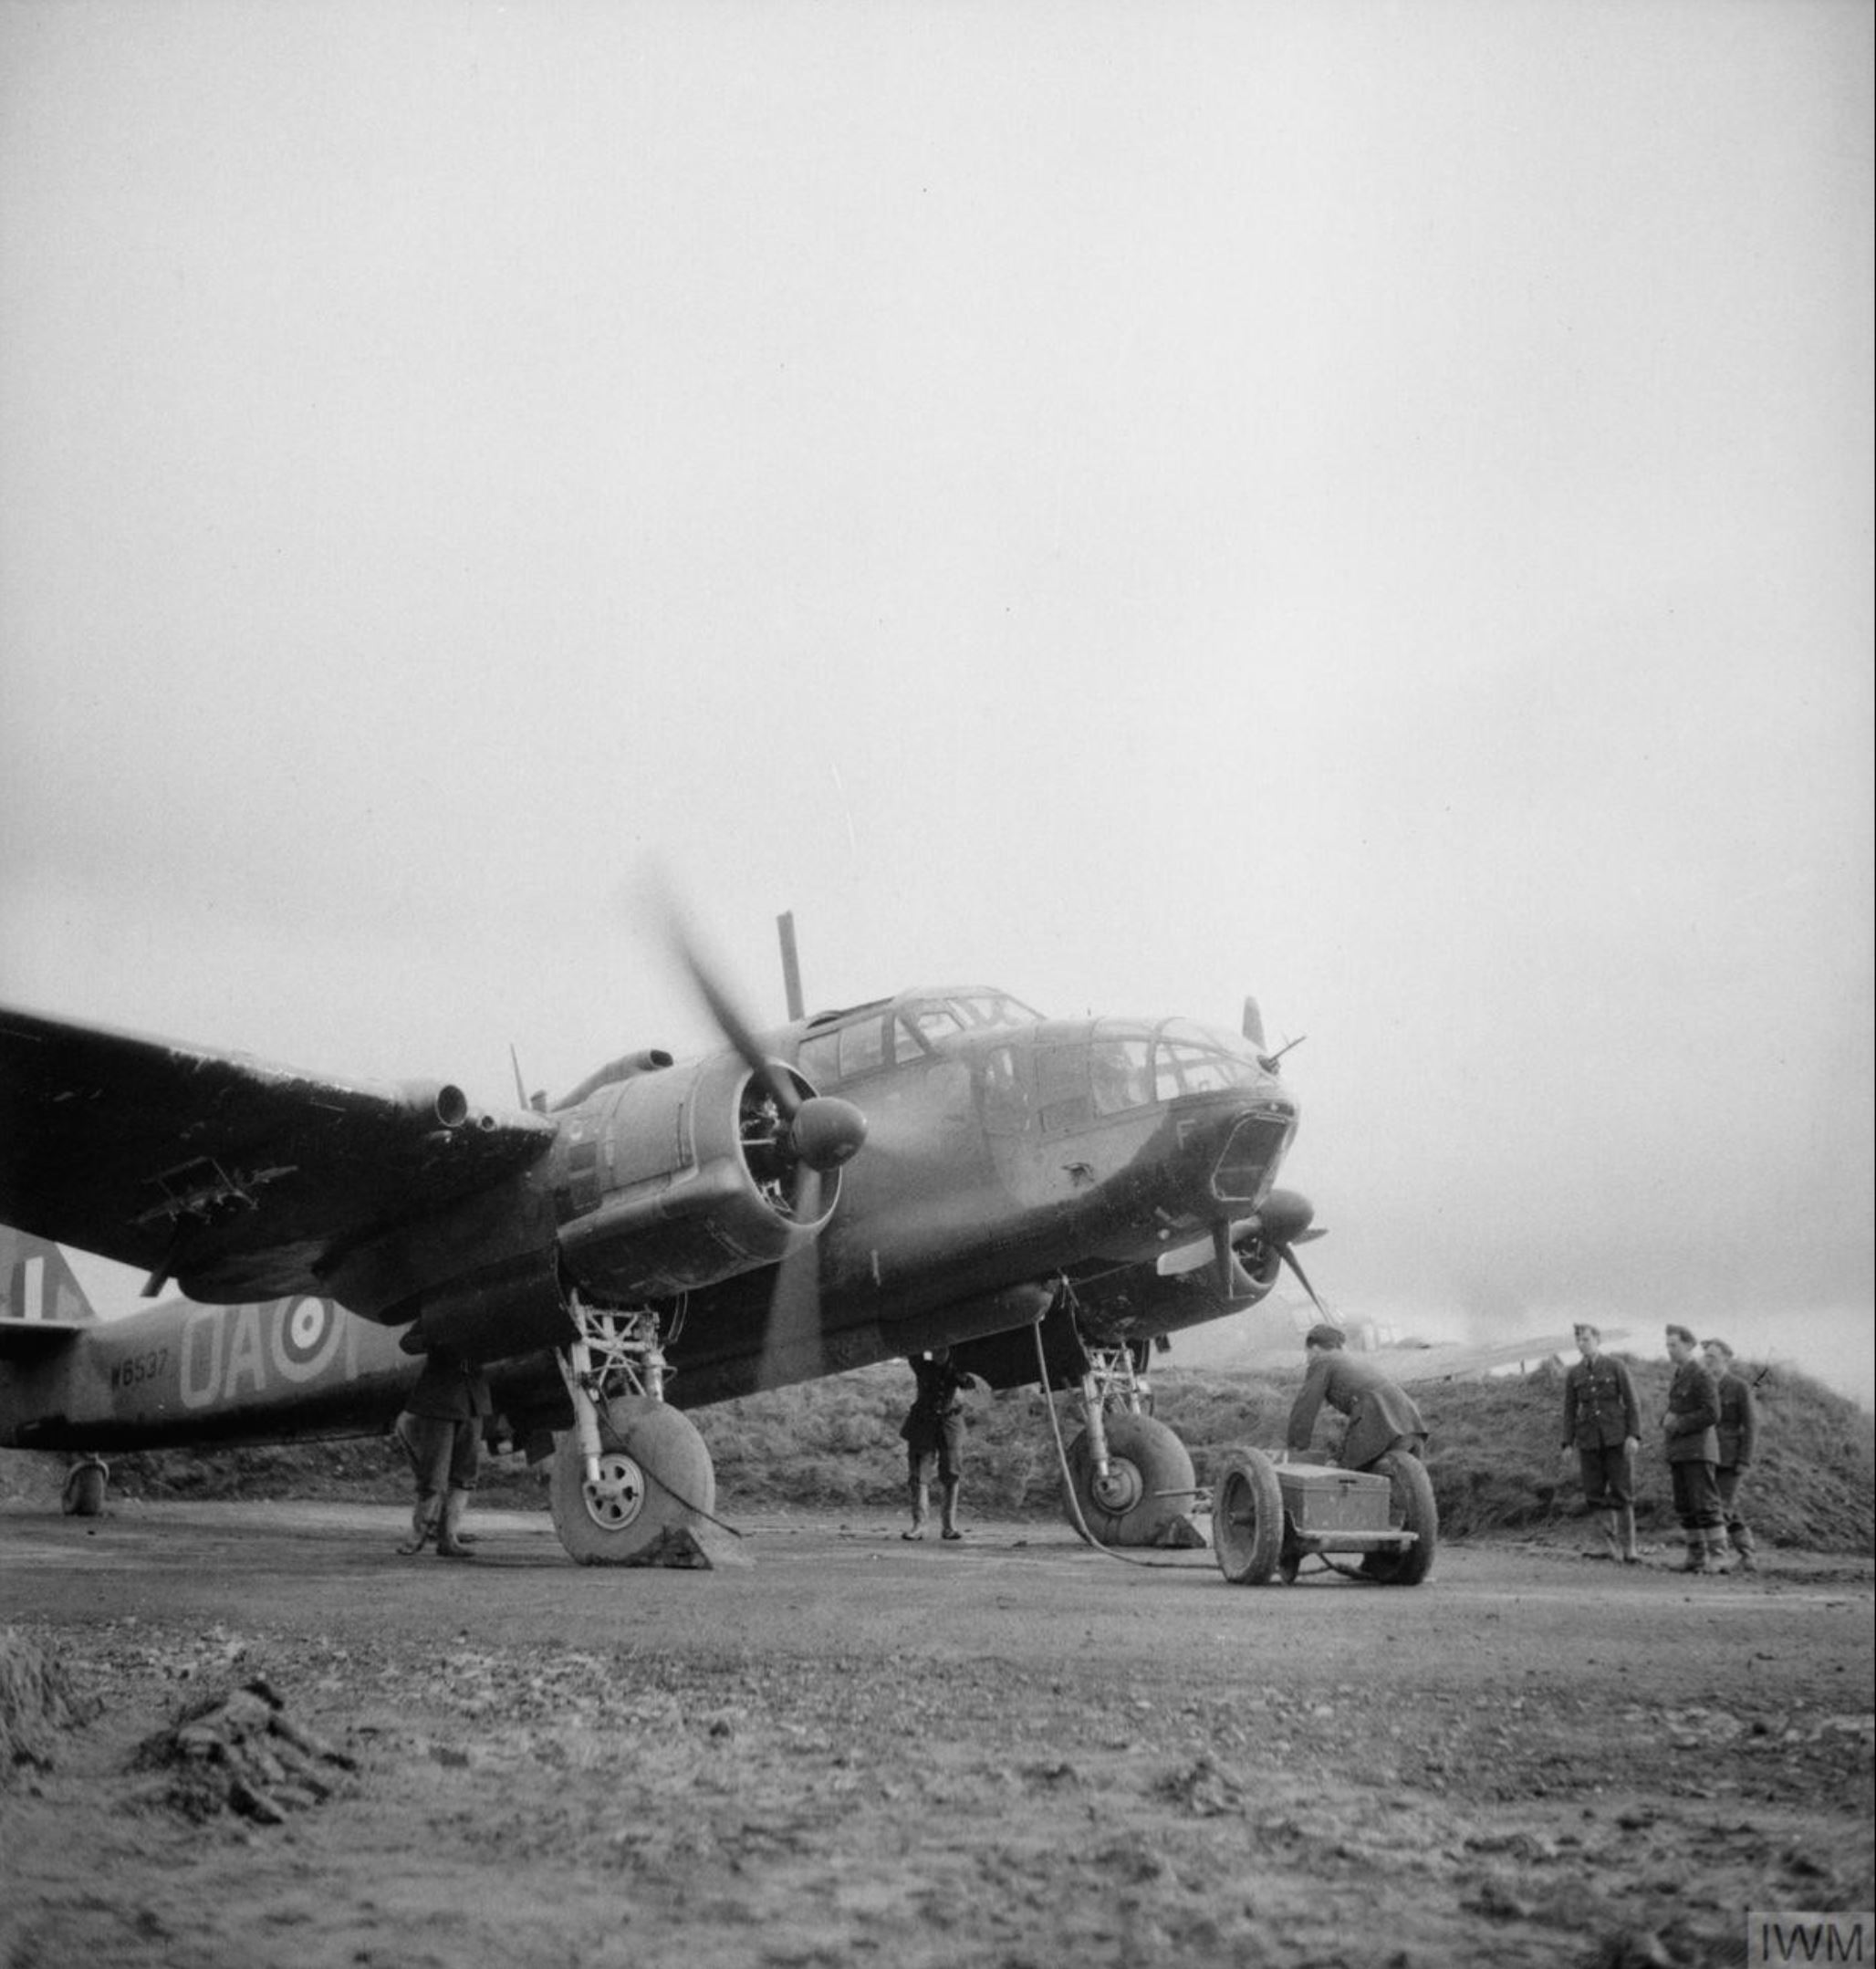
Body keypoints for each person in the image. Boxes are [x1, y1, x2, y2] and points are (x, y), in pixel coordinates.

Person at [392, 1344, 493, 1560]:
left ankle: (448, 1538)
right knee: (434, 1473)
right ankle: (418, 1534)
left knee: (464, 1475)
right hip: (441, 1397)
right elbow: (411, 1342)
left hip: (473, 1398)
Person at [1285, 1323, 1427, 1470]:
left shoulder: (1323, 1361)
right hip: (1411, 1421)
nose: (1308, 1359)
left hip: (1380, 1421)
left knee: (1347, 1479)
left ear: (1315, 1348)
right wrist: (1339, 1456)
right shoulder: (1351, 1361)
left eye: (1307, 1353)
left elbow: (1306, 1406)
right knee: (1395, 1485)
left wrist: (1296, 1449)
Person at [1560, 1322, 1642, 1564]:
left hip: (1617, 1439)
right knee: (1594, 1493)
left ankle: (1630, 1548)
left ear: (1598, 1340)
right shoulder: (1574, 1374)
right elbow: (1570, 1410)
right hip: (1589, 1441)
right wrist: (1567, 1442)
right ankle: (1608, 1546)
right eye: (1578, 1340)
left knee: (1622, 1492)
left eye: (1586, 1339)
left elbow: (1631, 1402)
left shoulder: (1615, 1366)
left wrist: (1633, 1435)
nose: (1581, 1344)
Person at [1662, 1325, 1725, 1574]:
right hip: (1680, 1450)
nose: (1669, 1350)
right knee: (1685, 1504)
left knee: (1705, 1503)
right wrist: (1667, 1421)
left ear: (1688, 1345)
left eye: (1673, 1345)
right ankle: (1696, 1555)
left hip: (1698, 1451)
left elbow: (1713, 1413)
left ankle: (1719, 1556)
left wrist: (1679, 1423)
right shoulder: (1680, 1374)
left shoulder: (1701, 1374)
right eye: (1667, 1345)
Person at [899, 1349, 979, 1541]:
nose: (938, 1354)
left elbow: (971, 1383)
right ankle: (919, 1525)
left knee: (952, 1472)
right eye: (935, 1349)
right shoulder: (920, 1362)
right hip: (924, 1420)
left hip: (950, 1422)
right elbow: (912, 1350)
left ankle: (949, 1525)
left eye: (943, 1350)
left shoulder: (958, 1365)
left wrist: (959, 1372)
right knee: (919, 1474)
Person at [1703, 1338, 1759, 1573]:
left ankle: (1719, 1556)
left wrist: (1744, 1460)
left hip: (1730, 1458)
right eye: (1705, 1357)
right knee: (1728, 1506)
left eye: (1713, 1357)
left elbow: (1751, 1426)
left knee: (1719, 1506)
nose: (1708, 1362)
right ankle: (1747, 1555)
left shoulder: (1739, 1387)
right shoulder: (1703, 1384)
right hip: (1706, 1455)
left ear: (1726, 1359)